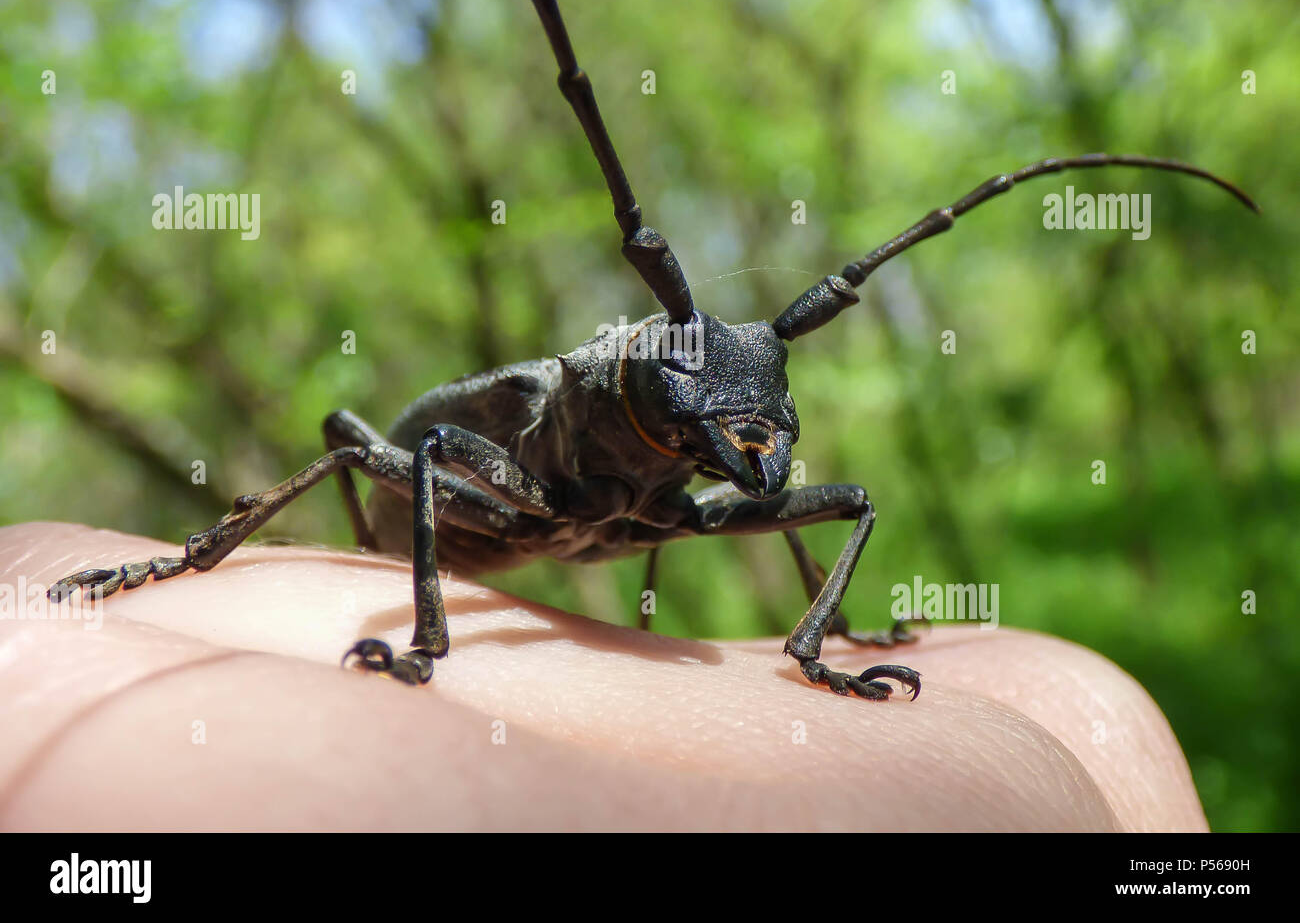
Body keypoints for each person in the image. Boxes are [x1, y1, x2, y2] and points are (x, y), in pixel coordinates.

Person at [0, 522, 1205, 831]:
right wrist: (429, 642)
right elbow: (408, 459)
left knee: (844, 503)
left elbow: (814, 501)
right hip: (466, 509)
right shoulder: (575, 405)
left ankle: (809, 645)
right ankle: (198, 560)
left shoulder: (698, 444)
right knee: (377, 443)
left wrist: (822, 648)